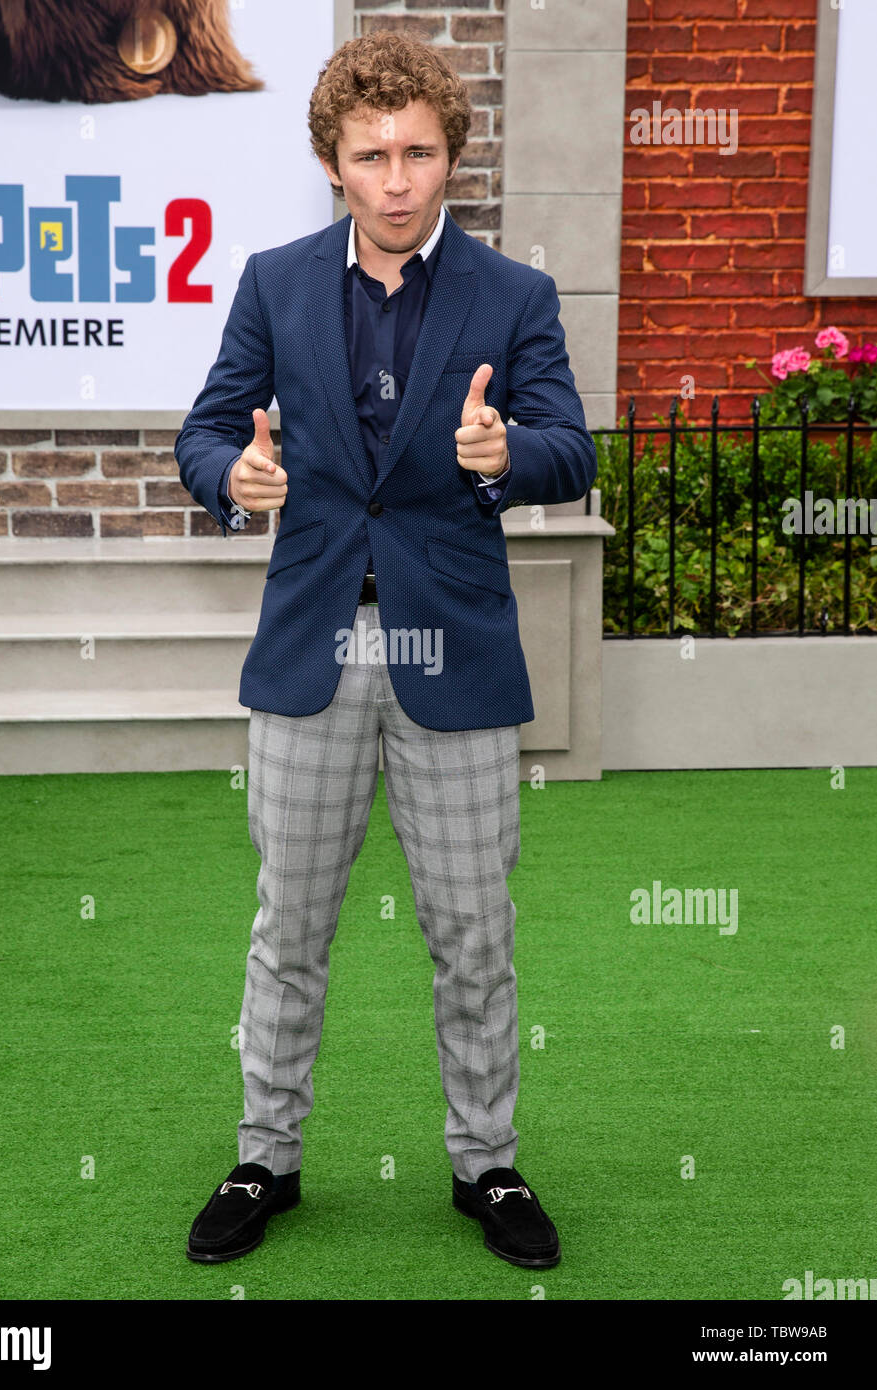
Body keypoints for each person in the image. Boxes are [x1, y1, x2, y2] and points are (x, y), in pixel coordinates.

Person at [175, 29, 597, 1271]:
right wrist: (235, 475)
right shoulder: (273, 283)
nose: (398, 177)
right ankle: (266, 1158)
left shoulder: (510, 297)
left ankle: (489, 1168)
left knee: (472, 931)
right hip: (311, 647)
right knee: (287, 926)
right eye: (373, 155)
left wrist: (504, 456)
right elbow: (204, 433)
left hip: (453, 657)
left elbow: (570, 446)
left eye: (419, 152)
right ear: (332, 164)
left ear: (449, 158)